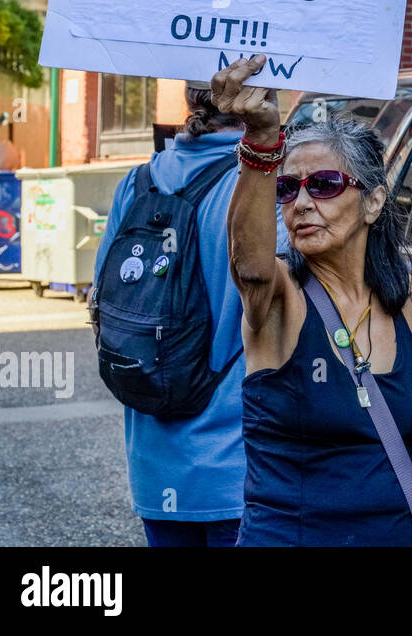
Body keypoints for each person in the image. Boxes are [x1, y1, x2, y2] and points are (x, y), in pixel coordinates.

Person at [214, 53, 412, 546]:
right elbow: (248, 265)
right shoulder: (279, 298)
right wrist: (261, 144)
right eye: (288, 188)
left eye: (324, 184)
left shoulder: (410, 299)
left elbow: (408, 434)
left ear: (373, 202)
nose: (300, 202)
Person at [91, 80, 286, 547]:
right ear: (263, 100)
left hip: (155, 469)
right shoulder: (267, 189)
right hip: (240, 471)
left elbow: (104, 306)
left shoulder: (136, 182)